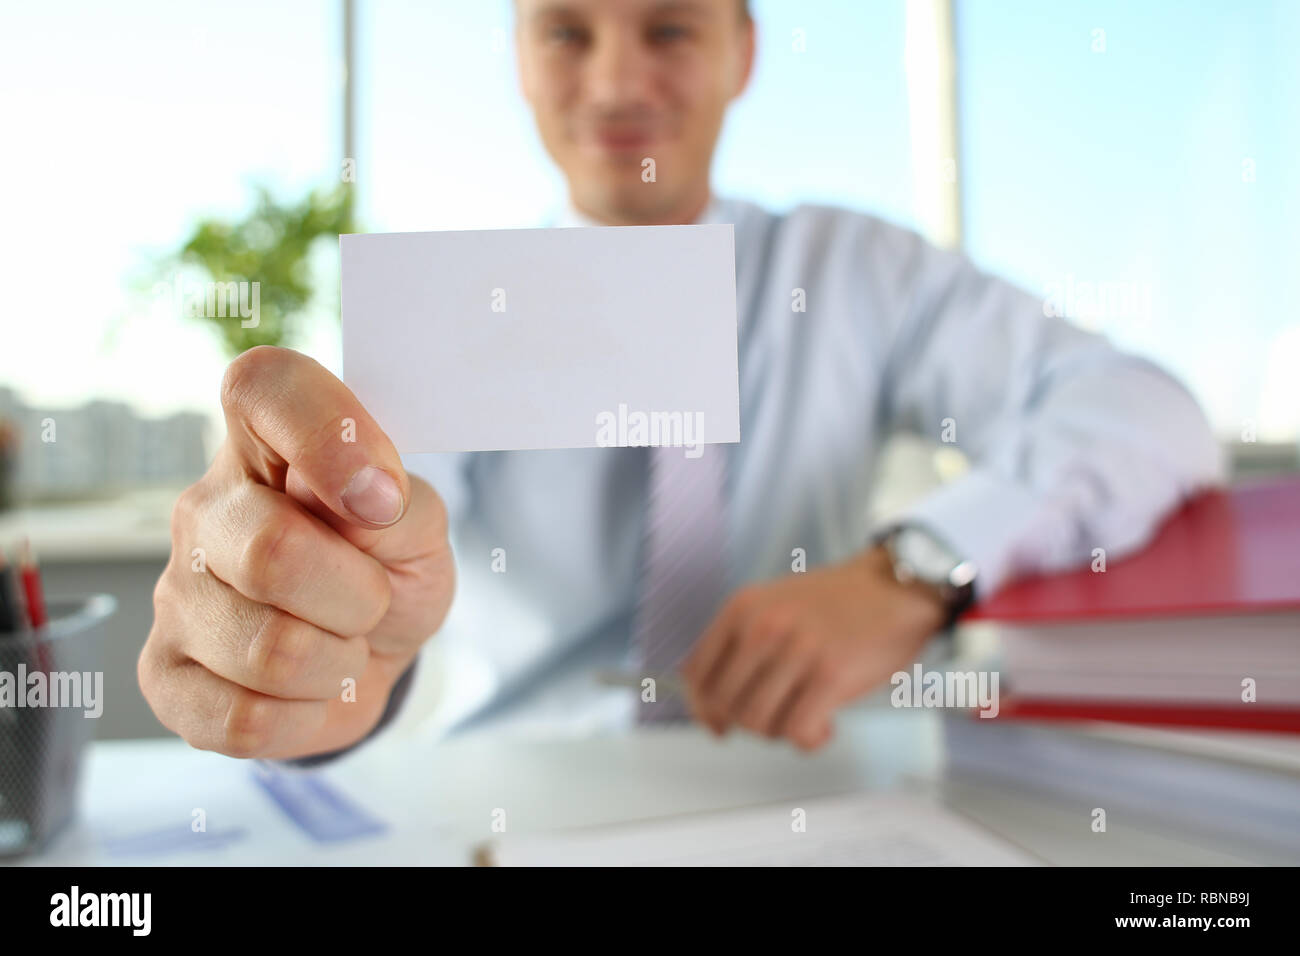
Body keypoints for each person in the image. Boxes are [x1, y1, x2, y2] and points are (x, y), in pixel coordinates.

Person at [139, 0, 1222, 761]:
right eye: (565, 28)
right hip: (516, 803)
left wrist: (911, 575)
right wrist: (328, 650)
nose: (614, 82)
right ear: (518, 53)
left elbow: (1147, 411)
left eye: (668, 26)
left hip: (802, 785)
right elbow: (379, 590)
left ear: (744, 51)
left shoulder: (856, 272)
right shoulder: (456, 307)